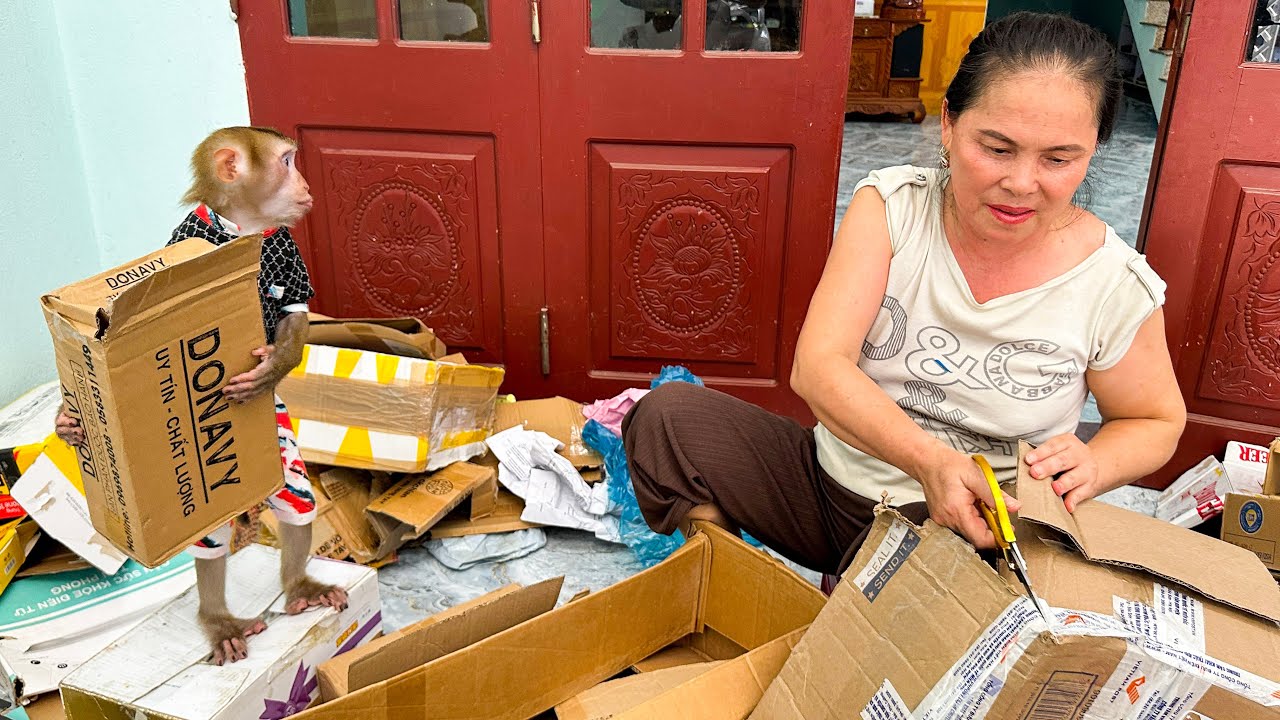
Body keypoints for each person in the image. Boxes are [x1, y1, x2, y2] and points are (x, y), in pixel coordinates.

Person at [622, 12, 1186, 578]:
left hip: (973, 529)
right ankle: (723, 576)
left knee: (891, 631)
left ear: (1091, 152)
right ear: (948, 124)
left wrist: (1095, 460)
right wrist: (928, 462)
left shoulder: (1111, 282)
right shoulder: (894, 209)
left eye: (1059, 160)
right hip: (830, 487)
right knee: (666, 419)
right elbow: (818, 368)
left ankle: (851, 593)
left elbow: (1155, 420)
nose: (1021, 183)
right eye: (996, 148)